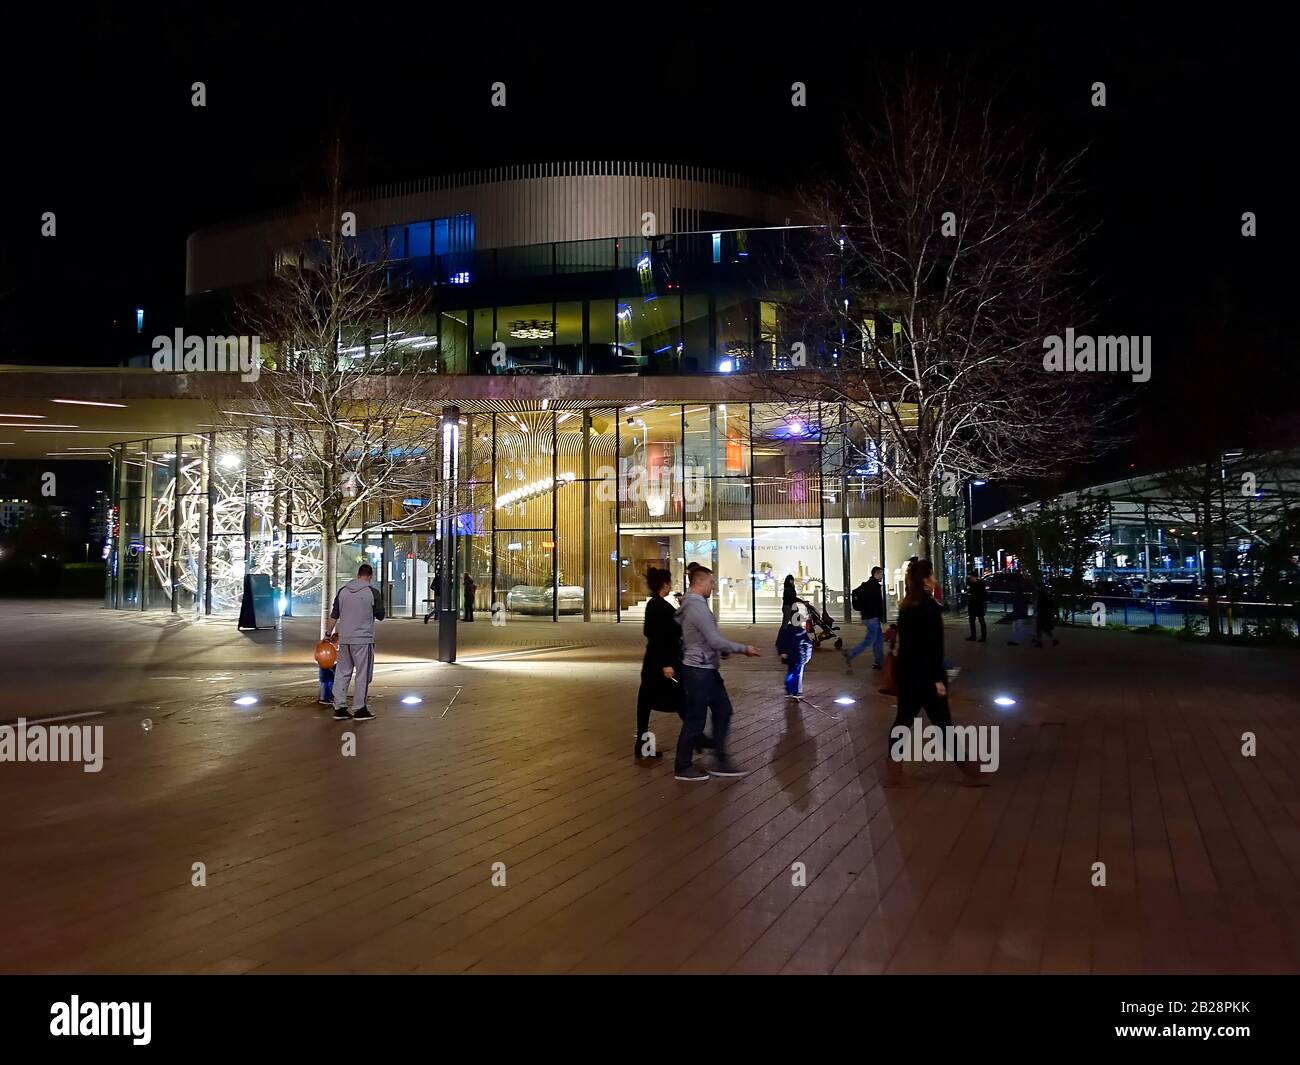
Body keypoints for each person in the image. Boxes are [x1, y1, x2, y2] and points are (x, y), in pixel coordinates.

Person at [885, 559, 986, 787]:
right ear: (925, 580)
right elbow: (934, 649)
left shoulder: (906, 606)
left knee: (903, 721)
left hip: (908, 676)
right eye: (932, 576)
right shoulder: (931, 609)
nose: (935, 580)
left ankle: (893, 767)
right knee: (943, 724)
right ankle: (968, 769)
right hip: (928, 679)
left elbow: (905, 645)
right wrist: (939, 679)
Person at [674, 564, 761, 781]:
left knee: (723, 710)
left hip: (705, 668)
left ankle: (720, 759)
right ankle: (683, 766)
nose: (713, 586)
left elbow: (705, 639)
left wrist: (720, 651)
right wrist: (743, 649)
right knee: (696, 718)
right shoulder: (697, 607)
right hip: (698, 670)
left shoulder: (695, 605)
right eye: (711, 582)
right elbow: (713, 639)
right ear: (700, 582)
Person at [635, 566, 694, 764]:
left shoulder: (654, 604)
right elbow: (666, 634)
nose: (670, 586)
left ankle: (642, 746)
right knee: (679, 699)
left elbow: (651, 632)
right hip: (663, 662)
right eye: (669, 583)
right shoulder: (660, 606)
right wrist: (667, 664)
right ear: (664, 584)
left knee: (646, 701)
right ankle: (697, 736)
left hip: (652, 661)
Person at [324, 563, 386, 721]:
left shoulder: (343, 591)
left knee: (342, 672)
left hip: (344, 639)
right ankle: (360, 709)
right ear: (370, 576)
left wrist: (328, 634)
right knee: (363, 674)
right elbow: (380, 615)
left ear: (358, 575)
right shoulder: (372, 592)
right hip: (363, 639)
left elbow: (334, 614)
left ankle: (339, 707)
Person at [844, 566, 887, 671]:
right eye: (881, 574)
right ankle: (850, 653)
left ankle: (879, 662)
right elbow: (877, 604)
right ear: (875, 574)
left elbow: (855, 592)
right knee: (870, 640)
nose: (882, 576)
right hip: (872, 617)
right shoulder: (873, 586)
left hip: (870, 617)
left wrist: (861, 608)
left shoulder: (867, 585)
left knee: (878, 640)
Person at [776, 607, 814, 699]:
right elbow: (808, 644)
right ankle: (796, 692)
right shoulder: (802, 632)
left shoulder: (785, 630)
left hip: (789, 656)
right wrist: (807, 657)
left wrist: (782, 652)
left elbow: (779, 642)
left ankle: (789, 690)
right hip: (799, 657)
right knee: (797, 674)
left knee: (790, 672)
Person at [1033, 580, 1060, 647]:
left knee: (1040, 628)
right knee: (1044, 628)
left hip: (1041, 614)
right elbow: (1051, 604)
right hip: (1046, 614)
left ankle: (1040, 642)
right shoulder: (1046, 594)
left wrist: (1035, 611)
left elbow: (1038, 605)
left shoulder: (1040, 595)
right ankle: (1053, 640)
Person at [1007, 575, 1031, 646]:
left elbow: (1018, 604)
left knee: (1019, 627)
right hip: (1019, 612)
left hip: (1019, 612)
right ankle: (1015, 640)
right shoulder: (1019, 591)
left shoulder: (1018, 593)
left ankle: (1034, 635)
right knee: (1016, 626)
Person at [965, 573, 988, 642]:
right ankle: (973, 635)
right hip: (972, 605)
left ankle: (983, 637)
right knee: (972, 621)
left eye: (971, 577)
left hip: (978, 604)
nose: (970, 578)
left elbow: (983, 595)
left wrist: (978, 599)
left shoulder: (980, 584)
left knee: (981, 620)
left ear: (975, 577)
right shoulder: (971, 584)